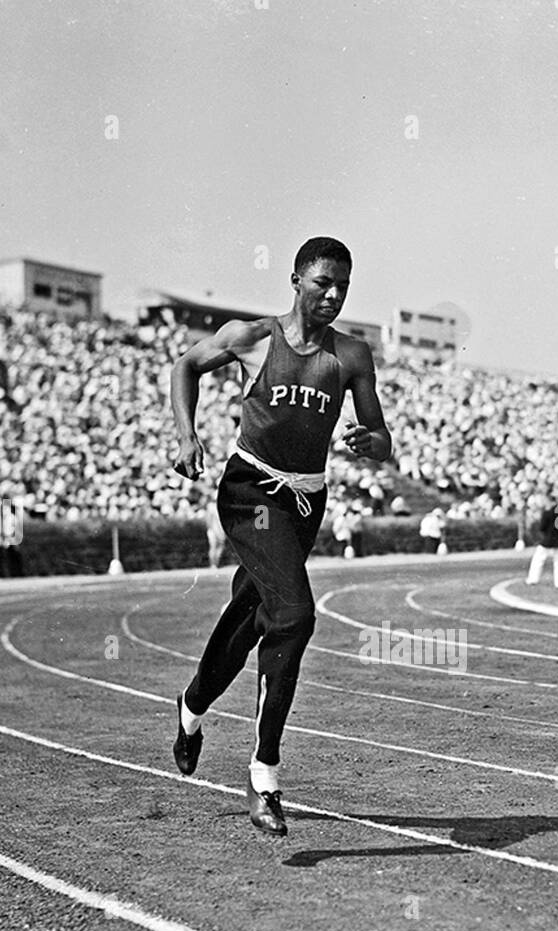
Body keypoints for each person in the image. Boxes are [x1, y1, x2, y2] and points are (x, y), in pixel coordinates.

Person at [168, 237, 391, 837]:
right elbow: (185, 365)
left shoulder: (350, 356)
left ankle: (190, 710)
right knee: (293, 615)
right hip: (251, 490)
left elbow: (380, 434)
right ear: (295, 280)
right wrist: (187, 436)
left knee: (252, 614)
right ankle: (264, 774)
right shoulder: (253, 338)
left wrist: (371, 443)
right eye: (322, 283)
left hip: (305, 501)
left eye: (343, 286)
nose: (334, 295)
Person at [526, 493, 558, 589]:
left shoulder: (547, 513)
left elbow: (542, 527)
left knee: (538, 560)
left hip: (547, 540)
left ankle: (533, 579)